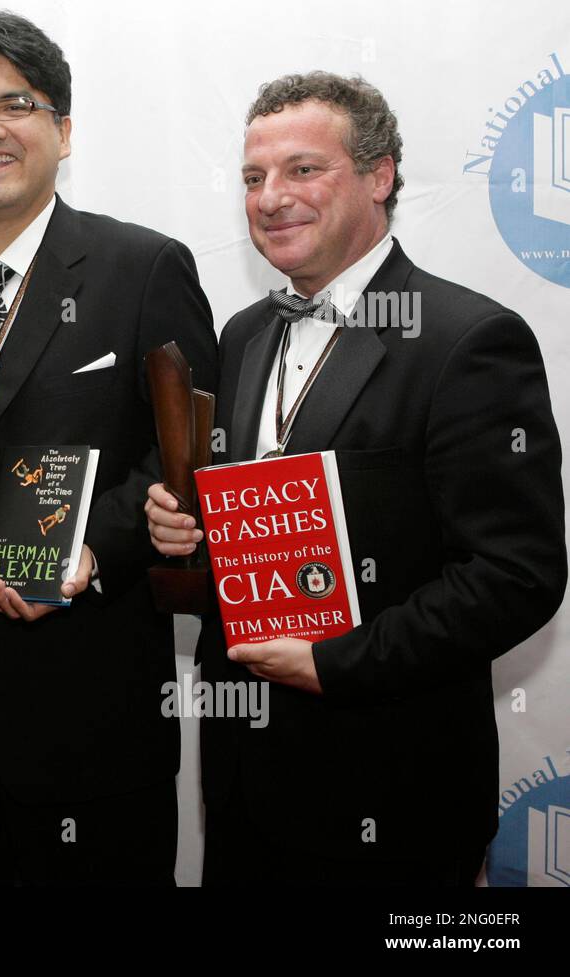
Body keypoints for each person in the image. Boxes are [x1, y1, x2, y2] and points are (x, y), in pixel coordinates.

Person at [147, 71, 567, 884]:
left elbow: (516, 575)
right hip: (242, 789)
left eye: (304, 170)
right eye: (253, 177)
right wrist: (188, 533)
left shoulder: (469, 338)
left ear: (380, 177)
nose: (271, 198)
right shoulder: (242, 333)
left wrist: (334, 663)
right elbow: (254, 521)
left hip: (393, 792)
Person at [0, 8, 217, 884]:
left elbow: (188, 460)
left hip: (87, 703)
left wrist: (95, 549)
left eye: (14, 104)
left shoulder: (144, 267)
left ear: (63, 129)